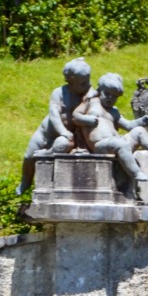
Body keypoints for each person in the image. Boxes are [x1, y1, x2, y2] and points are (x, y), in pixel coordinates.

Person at [72, 73, 148, 187]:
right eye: (107, 93)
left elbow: (128, 125)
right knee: (120, 143)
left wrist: (142, 121)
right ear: (100, 91)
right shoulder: (91, 102)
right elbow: (75, 115)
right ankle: (136, 172)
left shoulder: (114, 111)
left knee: (138, 130)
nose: (110, 98)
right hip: (99, 145)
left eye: (114, 96)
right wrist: (87, 119)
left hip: (116, 142)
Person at [18, 57, 93, 195]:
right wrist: (63, 131)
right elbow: (54, 114)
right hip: (46, 133)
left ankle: (46, 183)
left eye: (88, 80)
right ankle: (25, 182)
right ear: (70, 80)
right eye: (83, 83)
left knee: (57, 150)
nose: (87, 84)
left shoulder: (89, 94)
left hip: (68, 137)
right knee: (28, 157)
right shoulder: (59, 93)